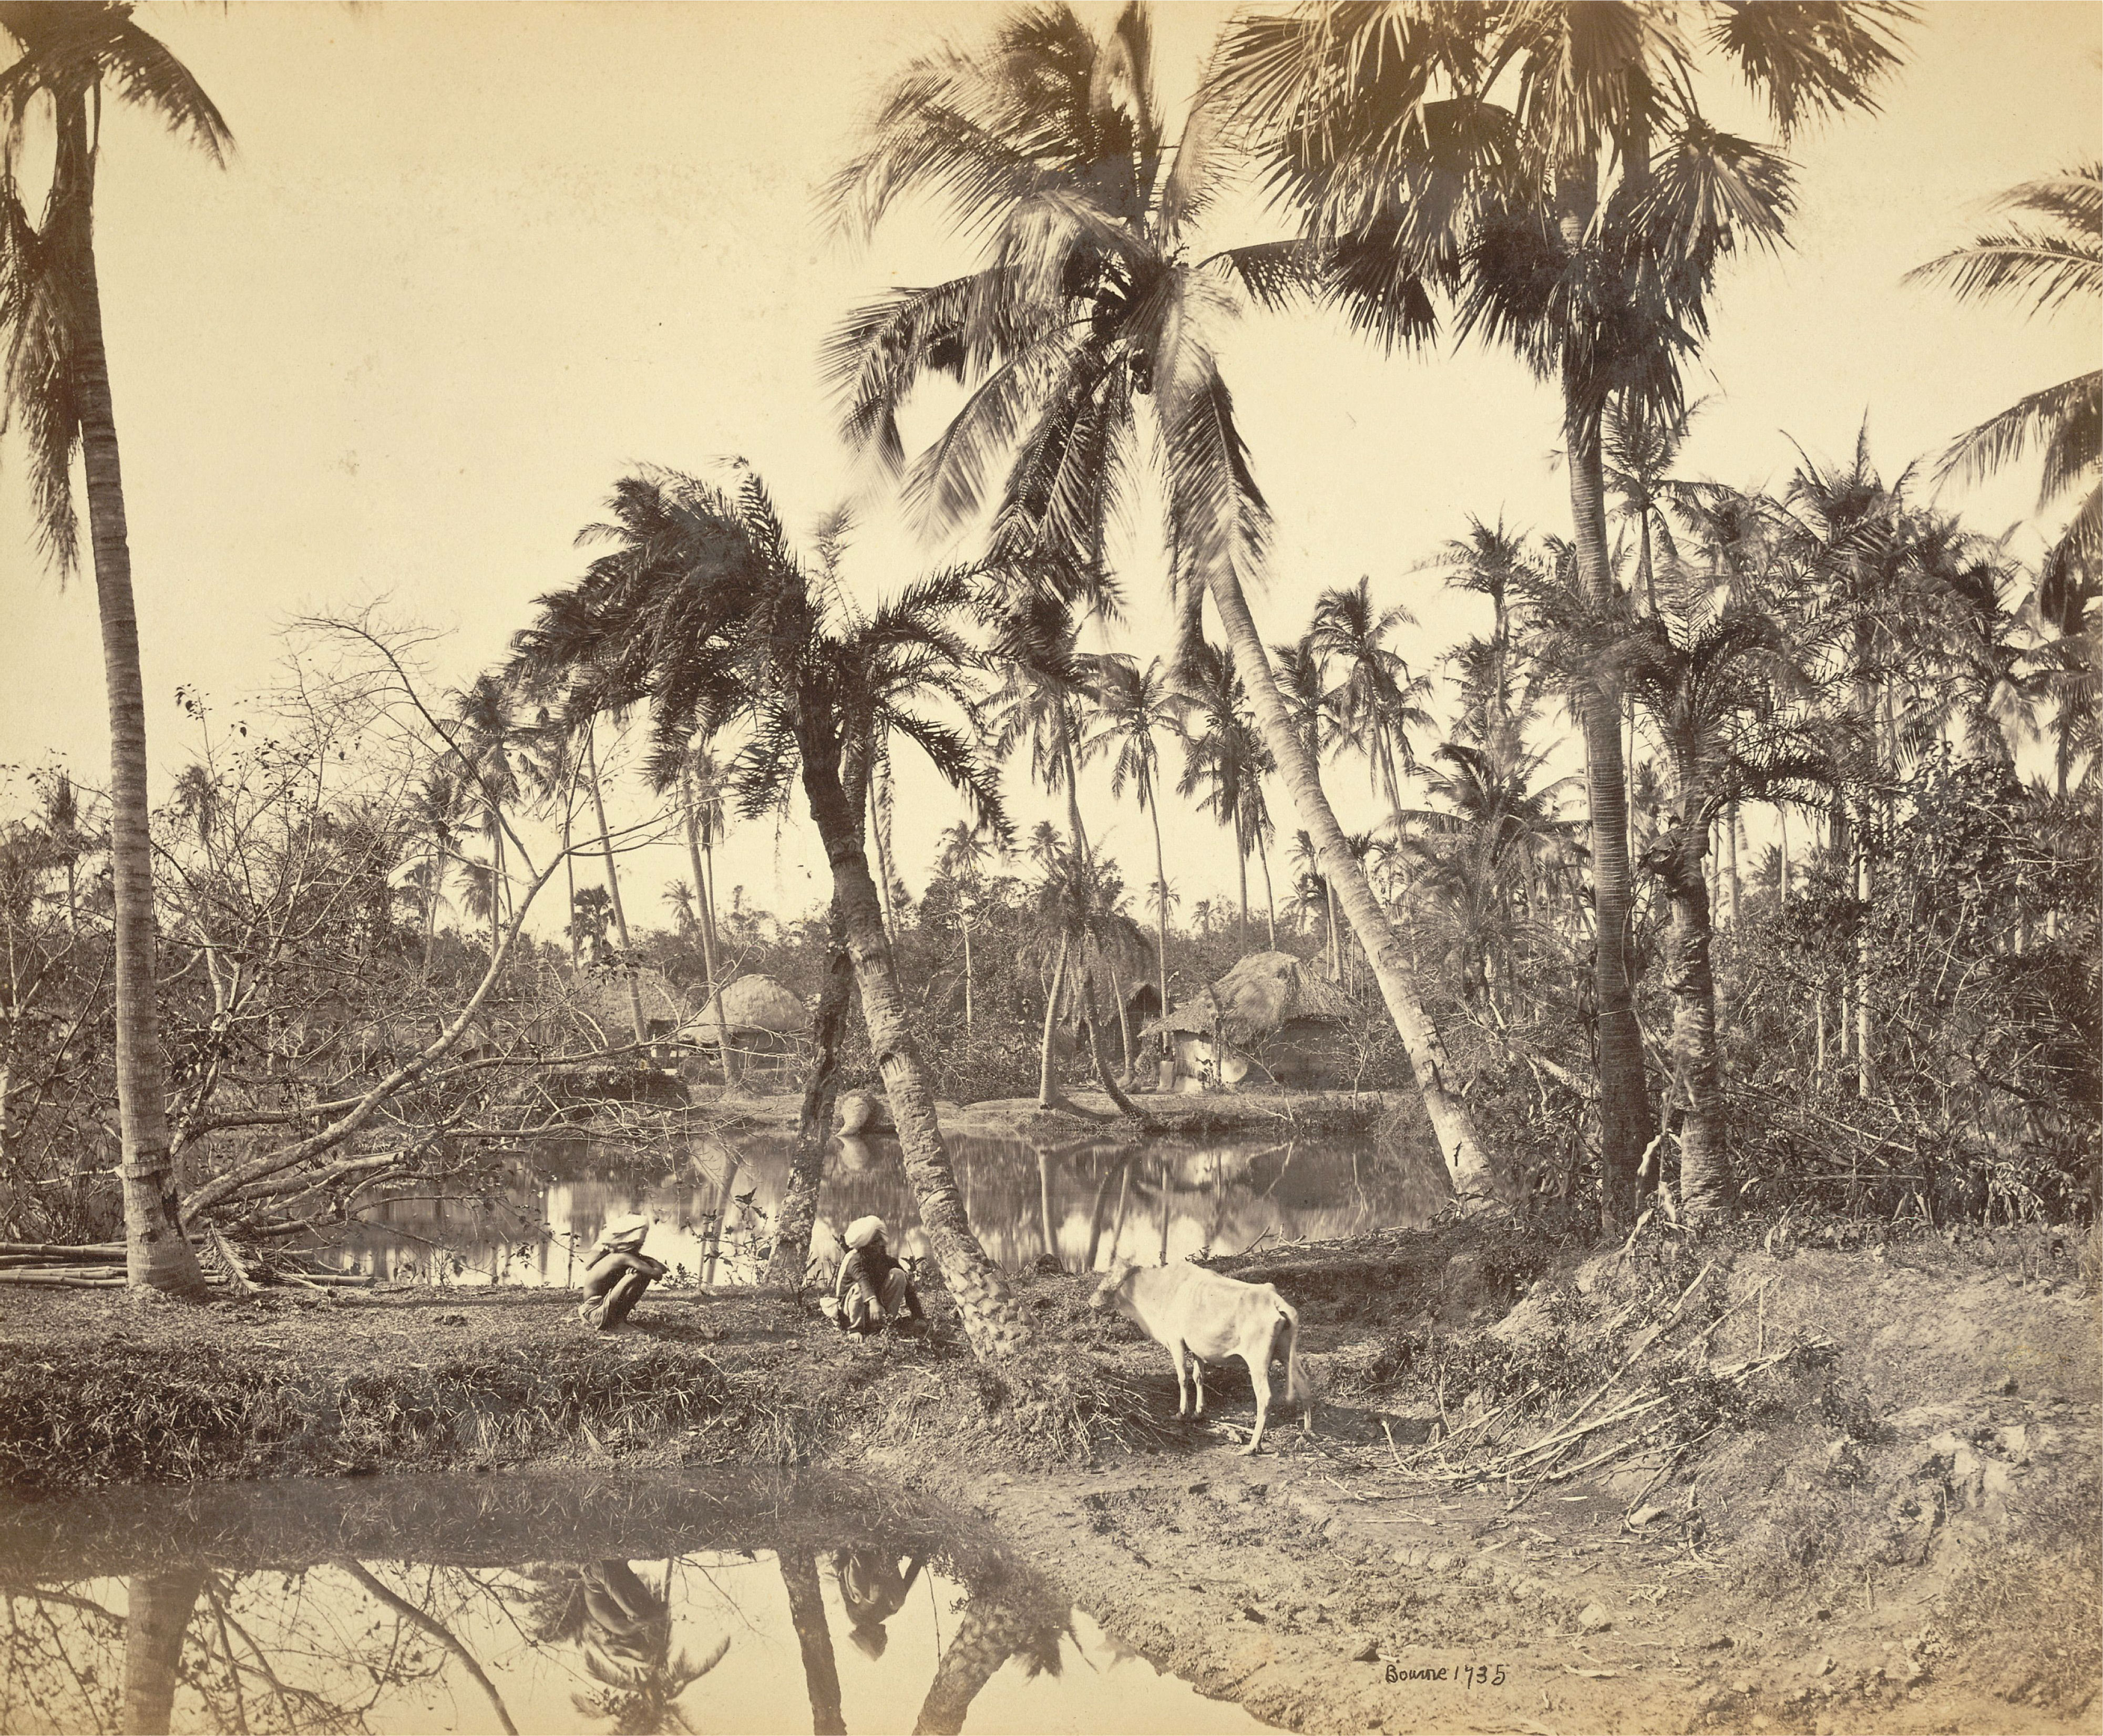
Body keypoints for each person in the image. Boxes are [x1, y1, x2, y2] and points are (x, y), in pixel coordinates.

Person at [832, 1216, 923, 1335]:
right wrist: (873, 1302)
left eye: (881, 1240)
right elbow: (863, 1281)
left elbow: (908, 1289)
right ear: (864, 1246)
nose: (880, 1244)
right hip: (849, 1313)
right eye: (874, 1242)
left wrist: (918, 1316)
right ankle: (855, 1329)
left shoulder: (884, 1259)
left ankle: (882, 1324)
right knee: (858, 1288)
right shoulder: (854, 1260)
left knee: (899, 1275)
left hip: (874, 1309)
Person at [578, 1213, 667, 1331]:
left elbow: (664, 1269)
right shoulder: (623, 1257)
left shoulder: (618, 1255)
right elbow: (657, 1275)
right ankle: (617, 1323)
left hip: (592, 1312)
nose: (640, 1246)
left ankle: (619, 1320)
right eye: (638, 1244)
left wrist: (648, 1263)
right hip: (595, 1314)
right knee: (638, 1274)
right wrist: (649, 1263)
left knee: (641, 1272)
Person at [830, 1548, 922, 1660]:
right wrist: (919, 1559)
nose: (884, 1638)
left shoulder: (855, 1619)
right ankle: (884, 1549)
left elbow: (857, 1608)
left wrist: (870, 1600)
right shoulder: (889, 1610)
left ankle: (858, 1547)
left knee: (859, 1596)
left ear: (868, 1636)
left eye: (879, 1640)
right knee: (897, 1602)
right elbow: (907, 1584)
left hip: (848, 1560)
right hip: (878, 1560)